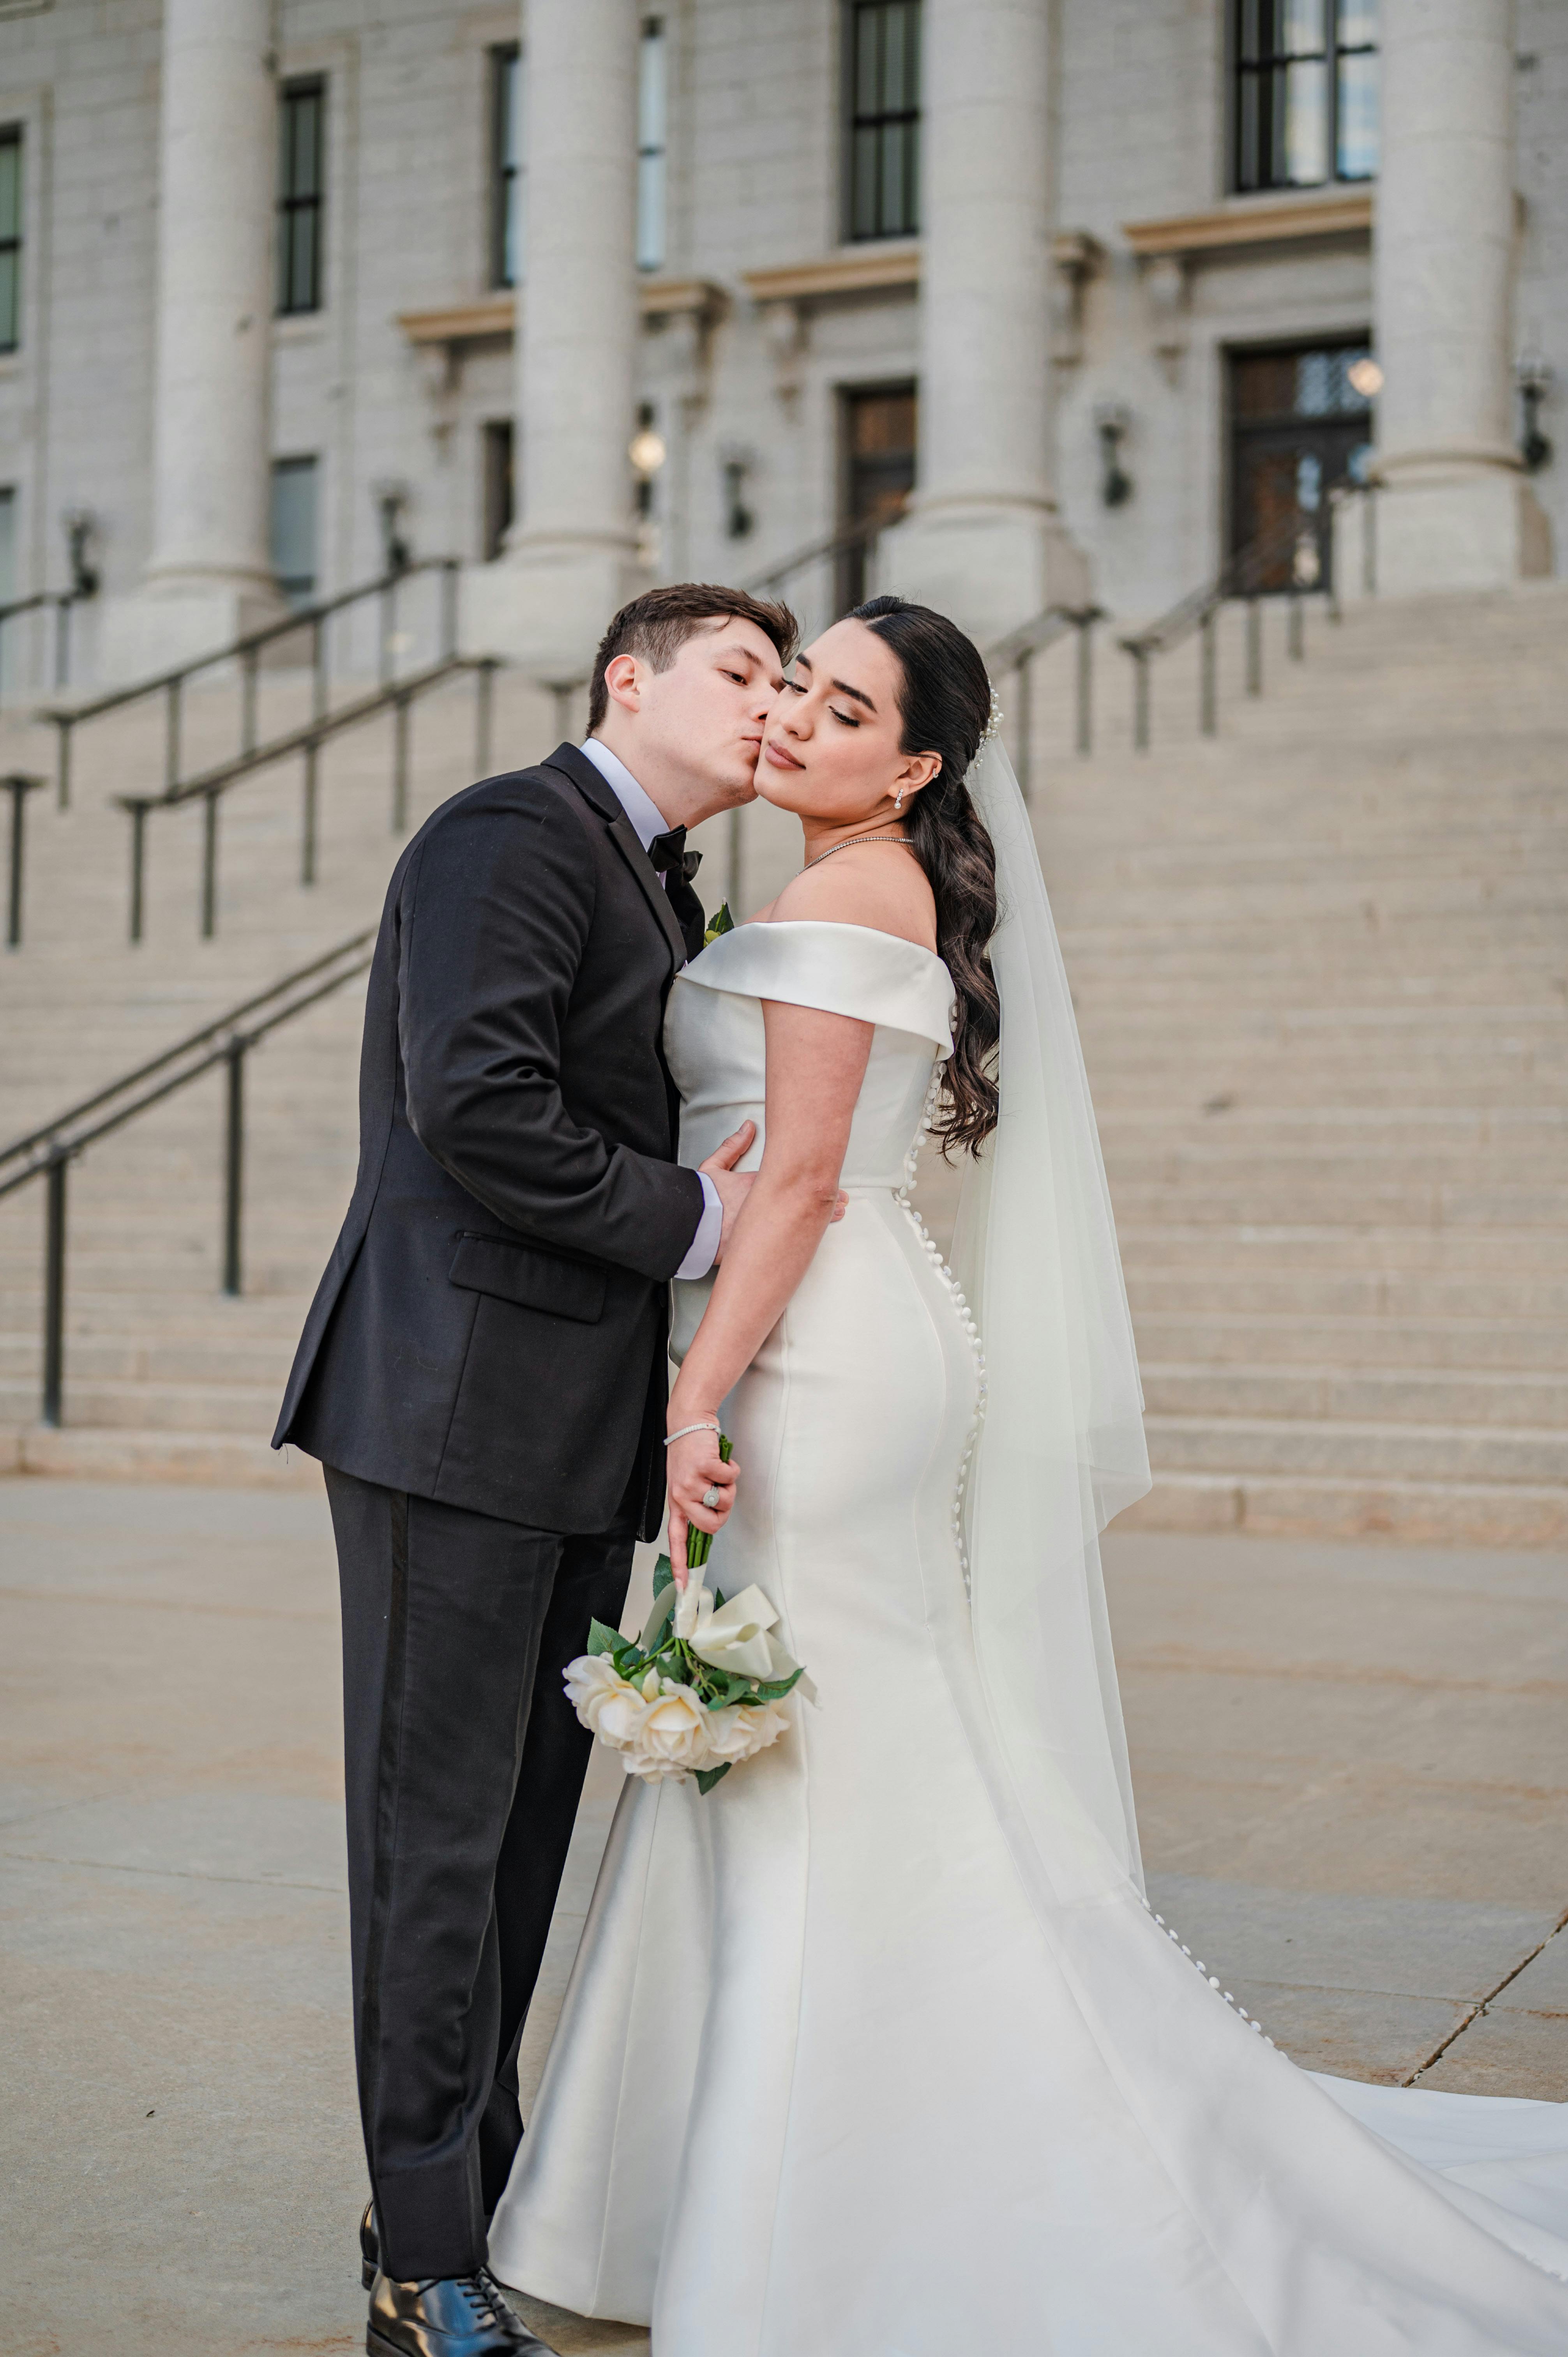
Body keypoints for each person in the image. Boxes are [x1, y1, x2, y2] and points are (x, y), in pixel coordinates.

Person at [488, 596, 1568, 2353]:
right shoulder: (839, 880)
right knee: (825, 1737)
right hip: (830, 1335)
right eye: (792, 690)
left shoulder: (846, 892)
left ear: (911, 764)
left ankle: (867, 2190)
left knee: (822, 1746)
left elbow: (808, 1178)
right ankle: (743, 2169)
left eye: (840, 710)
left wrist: (691, 1397)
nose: (793, 724)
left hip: (813, 1355)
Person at [272, 583, 805, 2357]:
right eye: (740, 671)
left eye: (789, 681)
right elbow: (478, 1102)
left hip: (570, 1428)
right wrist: (700, 1213)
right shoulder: (512, 830)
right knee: (432, 1849)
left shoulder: (662, 877)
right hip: (446, 1408)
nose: (770, 706)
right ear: (626, 678)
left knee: (512, 1857)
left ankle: (469, 2199)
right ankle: (418, 2256)